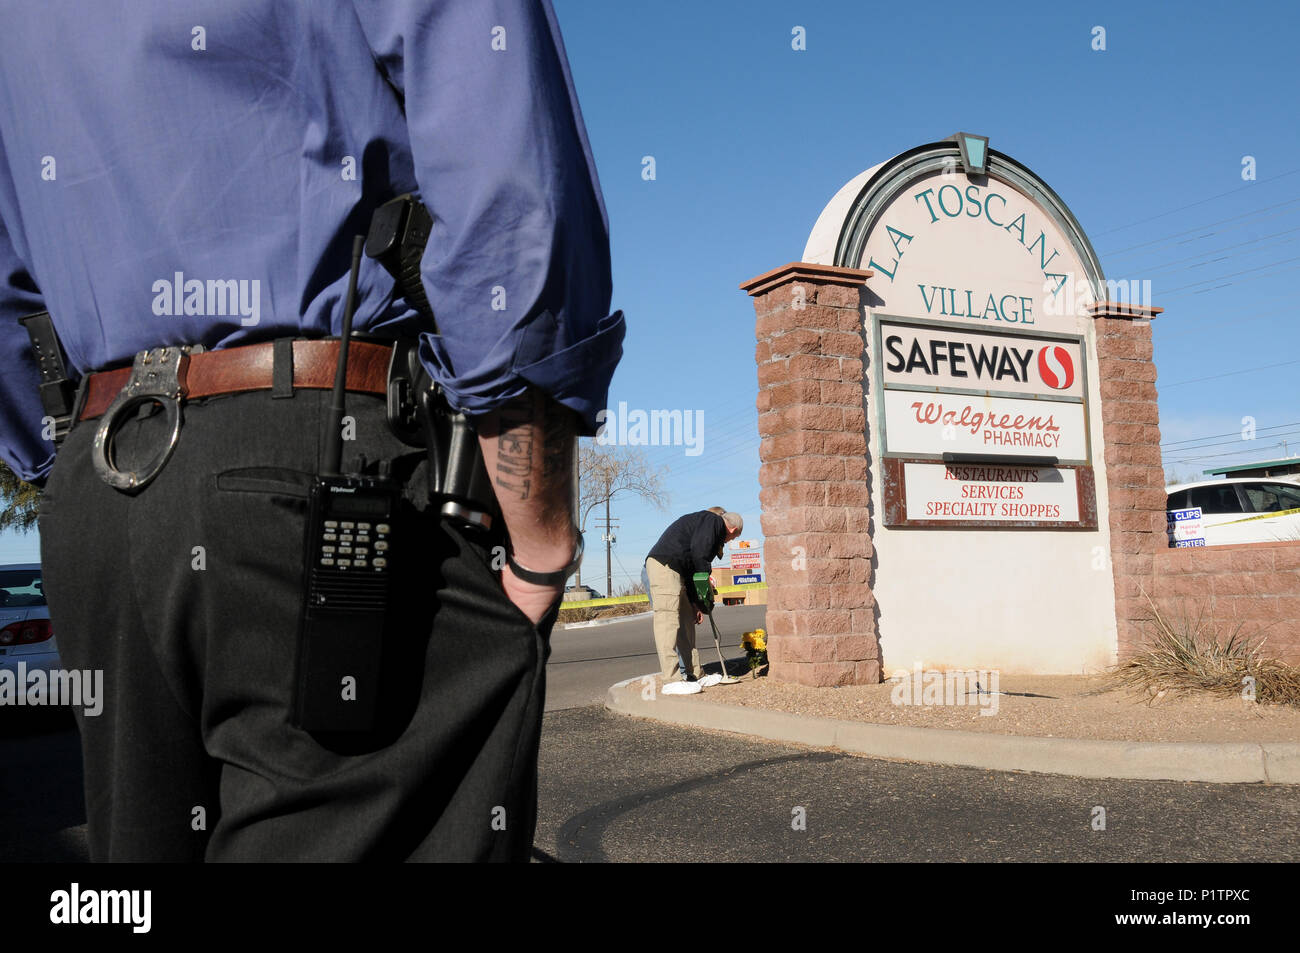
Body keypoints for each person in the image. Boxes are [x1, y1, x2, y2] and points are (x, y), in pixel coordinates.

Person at [0, 1, 623, 861]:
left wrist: (65, 466)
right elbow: (505, 194)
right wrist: (541, 536)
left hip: (101, 484)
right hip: (322, 458)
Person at [644, 510, 742, 683]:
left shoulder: (705, 526)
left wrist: (695, 602)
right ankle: (672, 680)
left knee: (686, 622)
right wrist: (704, 588)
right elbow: (700, 555)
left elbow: (692, 566)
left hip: (678, 570)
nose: (729, 541)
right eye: (732, 539)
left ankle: (695, 673)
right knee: (668, 622)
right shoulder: (713, 522)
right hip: (665, 567)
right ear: (733, 530)